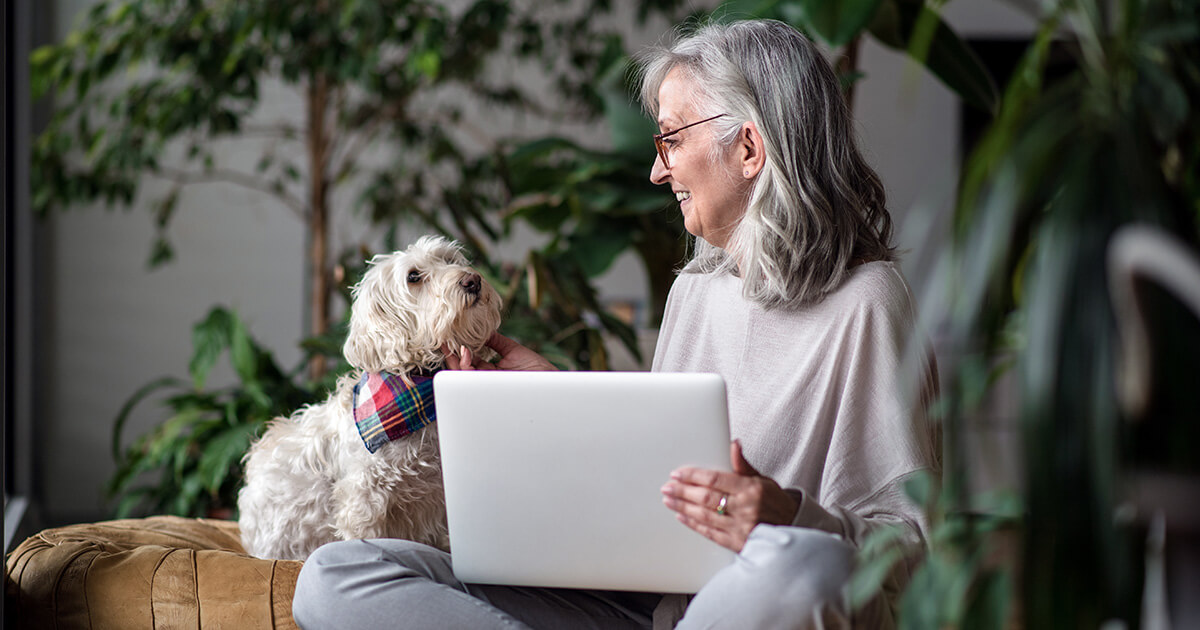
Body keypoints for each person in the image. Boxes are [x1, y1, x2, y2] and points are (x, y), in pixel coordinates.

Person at [292, 18, 939, 630]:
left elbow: (913, 550)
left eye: (671, 139)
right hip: (646, 608)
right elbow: (658, 495)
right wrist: (558, 399)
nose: (658, 169)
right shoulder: (695, 291)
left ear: (747, 148)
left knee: (808, 565)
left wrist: (787, 516)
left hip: (751, 600)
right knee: (336, 577)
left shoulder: (869, 303)